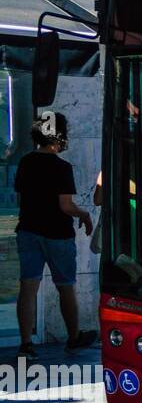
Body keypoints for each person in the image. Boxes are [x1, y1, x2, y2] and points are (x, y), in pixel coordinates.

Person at [13, 113, 94, 360]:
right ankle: (74, 338)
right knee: (66, 287)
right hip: (57, 235)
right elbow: (65, 206)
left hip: (27, 231)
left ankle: (26, 345)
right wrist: (85, 214)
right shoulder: (61, 167)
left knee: (28, 287)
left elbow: (20, 196)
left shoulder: (26, 162)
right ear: (59, 135)